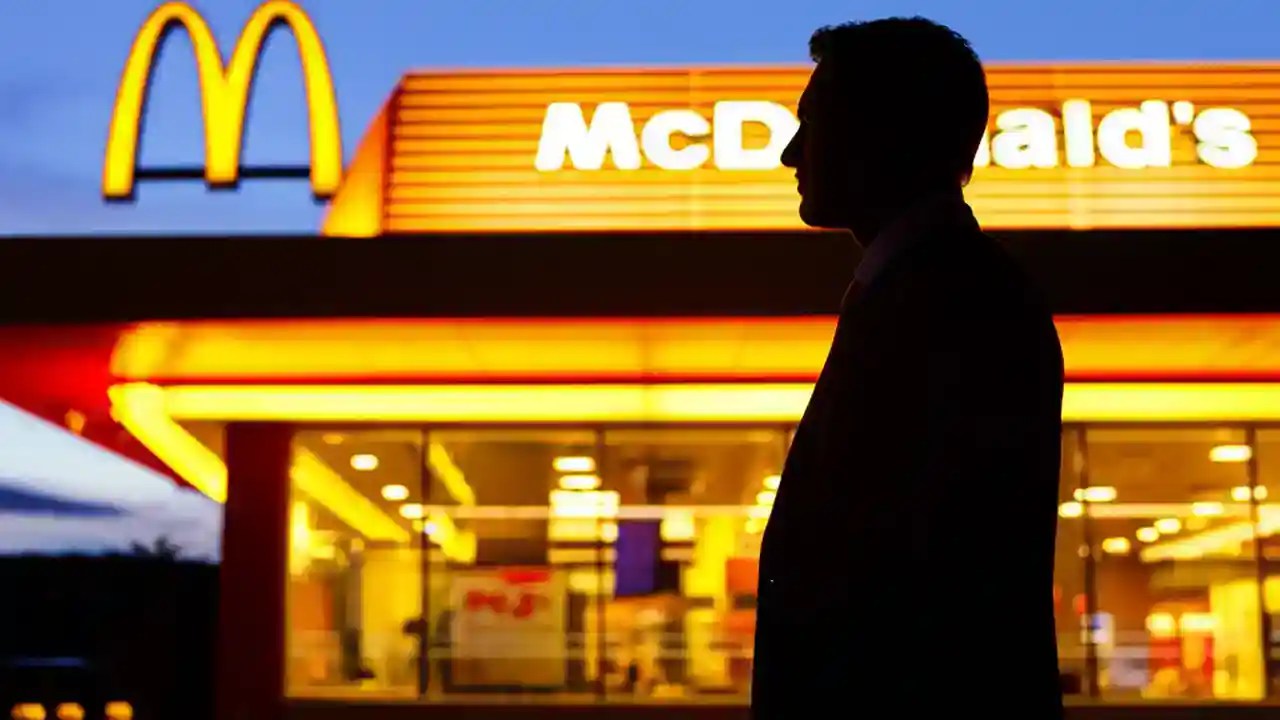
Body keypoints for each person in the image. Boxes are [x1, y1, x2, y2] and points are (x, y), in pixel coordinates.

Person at [751, 16, 1065, 718]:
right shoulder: (934, 291)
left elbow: (924, 577)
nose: (790, 153)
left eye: (814, 122)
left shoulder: (957, 304)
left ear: (882, 136)